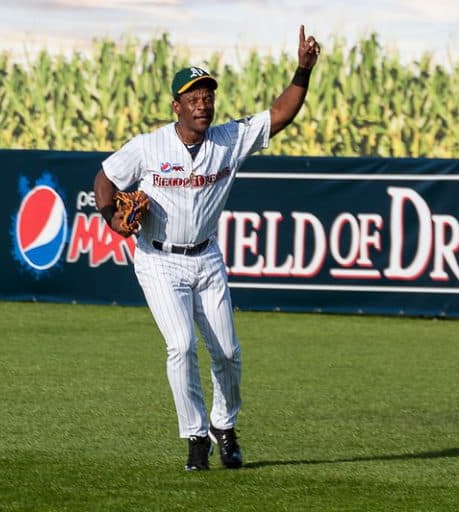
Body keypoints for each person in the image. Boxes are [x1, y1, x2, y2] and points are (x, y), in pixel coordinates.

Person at [93, 25, 320, 471]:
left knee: (228, 353)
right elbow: (105, 178)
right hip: (158, 259)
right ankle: (195, 437)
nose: (203, 104)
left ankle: (224, 425)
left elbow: (279, 113)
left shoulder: (228, 140)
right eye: (193, 98)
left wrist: (303, 71)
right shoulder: (149, 146)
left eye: (208, 96)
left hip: (207, 257)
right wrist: (110, 216)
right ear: (176, 106)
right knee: (180, 345)